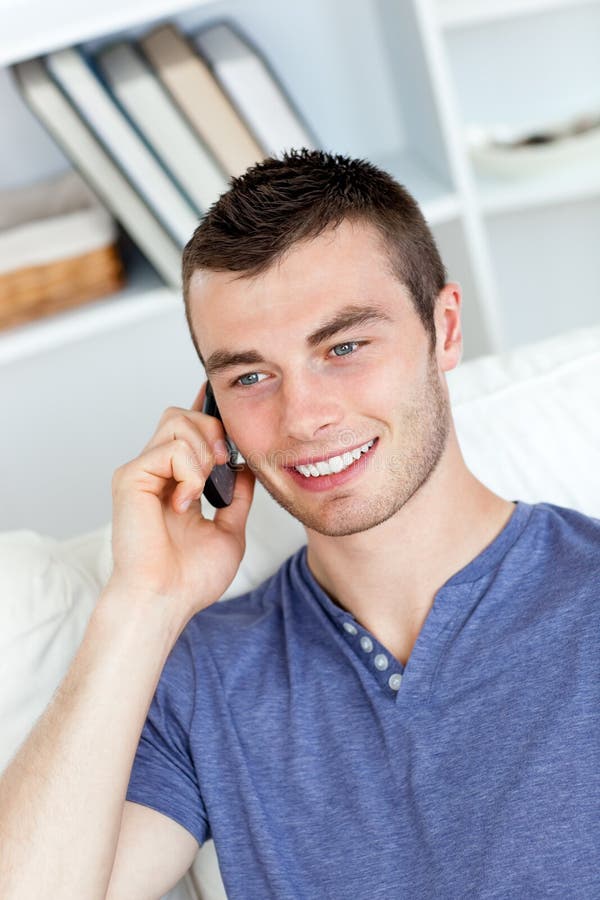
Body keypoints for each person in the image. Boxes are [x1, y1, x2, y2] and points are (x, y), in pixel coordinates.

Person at [0, 149, 598, 899]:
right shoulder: (202, 678)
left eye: (343, 347)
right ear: (213, 413)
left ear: (444, 330)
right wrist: (140, 603)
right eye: (250, 376)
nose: (303, 417)